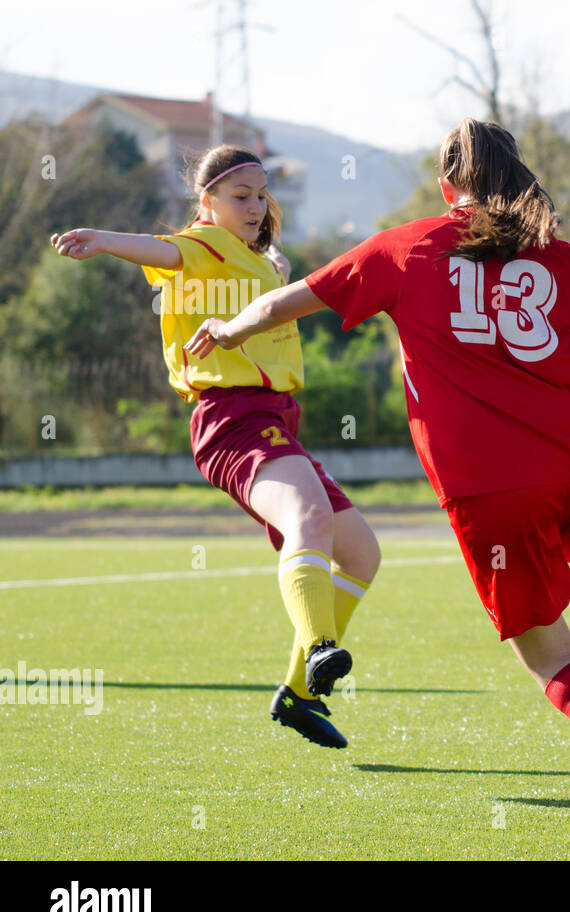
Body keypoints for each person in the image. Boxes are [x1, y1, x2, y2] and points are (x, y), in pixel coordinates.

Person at [184, 119, 570, 833]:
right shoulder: (561, 257)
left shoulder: (406, 248)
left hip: (493, 491)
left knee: (551, 658)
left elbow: (286, 299)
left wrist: (229, 331)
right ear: (516, 178)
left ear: (447, 184)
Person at [50, 145, 380, 749]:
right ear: (206, 202)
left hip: (274, 419)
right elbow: (164, 249)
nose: (255, 206)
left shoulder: (252, 258)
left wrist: (274, 264)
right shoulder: (203, 244)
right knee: (309, 517)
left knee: (360, 553)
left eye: (260, 196)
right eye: (240, 196)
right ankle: (321, 647)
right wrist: (103, 238)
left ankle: (299, 697)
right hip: (232, 419)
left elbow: (259, 278)